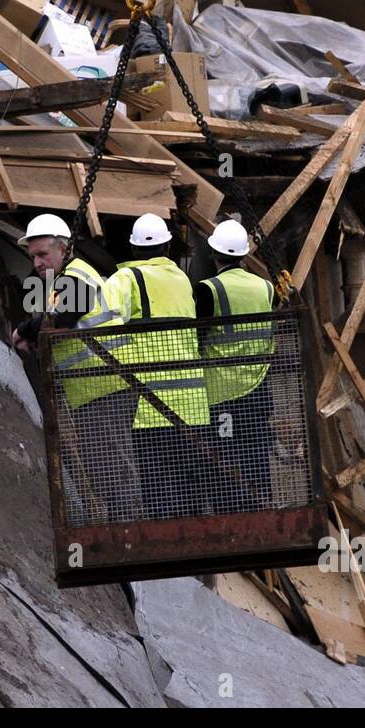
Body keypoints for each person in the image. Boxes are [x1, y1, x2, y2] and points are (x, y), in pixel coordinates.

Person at [11, 214, 136, 522]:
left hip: (105, 385)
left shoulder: (78, 274)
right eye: (33, 257)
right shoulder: (56, 283)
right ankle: (122, 529)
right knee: (103, 467)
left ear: (64, 249)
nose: (38, 263)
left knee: (112, 468)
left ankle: (127, 533)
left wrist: (25, 331)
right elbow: (54, 320)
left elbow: (64, 317)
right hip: (91, 389)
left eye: (43, 254)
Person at [105, 213, 211, 519]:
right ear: (167, 247)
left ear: (134, 249)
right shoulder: (182, 280)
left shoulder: (125, 280)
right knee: (193, 494)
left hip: (149, 409)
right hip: (192, 407)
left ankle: (175, 561)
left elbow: (102, 325)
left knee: (160, 497)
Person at [194, 219, 275, 512]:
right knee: (256, 457)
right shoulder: (266, 287)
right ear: (243, 255)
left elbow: (196, 337)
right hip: (259, 389)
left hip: (221, 393)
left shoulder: (209, 290)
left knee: (224, 461)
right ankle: (263, 515)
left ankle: (230, 520)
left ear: (214, 255)